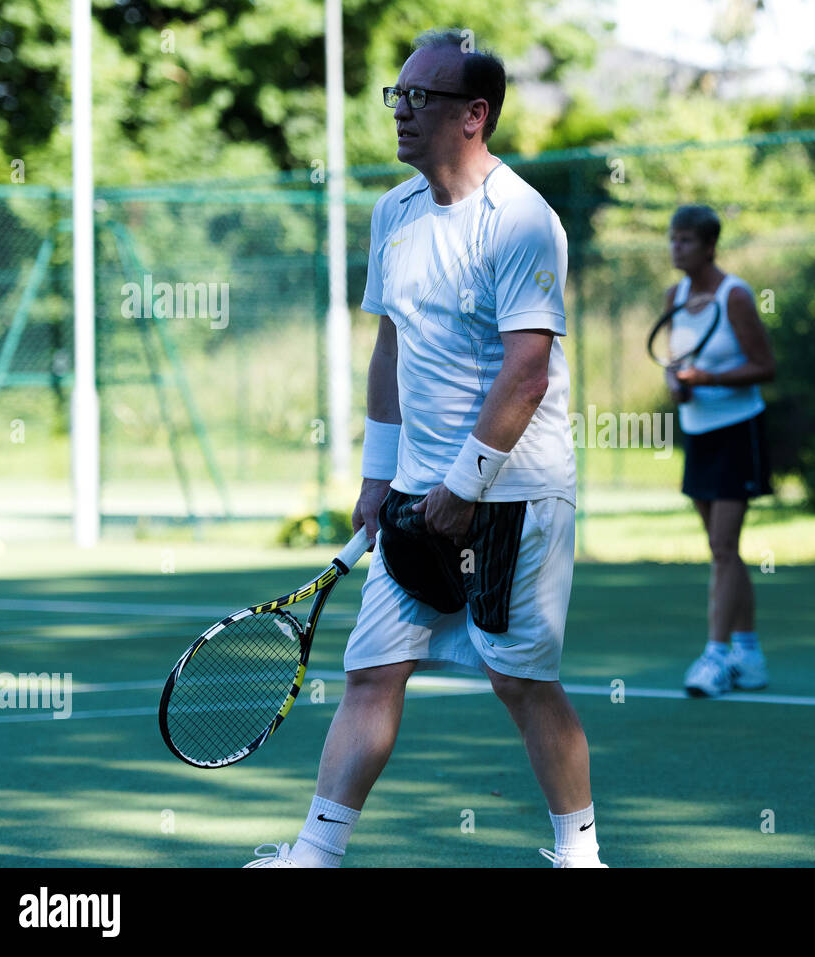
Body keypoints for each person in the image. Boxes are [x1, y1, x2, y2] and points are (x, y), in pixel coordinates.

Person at [246, 29, 603, 868]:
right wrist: (379, 478)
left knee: (521, 682)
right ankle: (317, 854)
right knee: (373, 670)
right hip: (413, 496)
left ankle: (580, 855)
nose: (402, 112)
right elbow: (390, 348)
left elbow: (527, 374)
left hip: (513, 495)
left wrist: (465, 486)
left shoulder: (521, 221)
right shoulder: (393, 213)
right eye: (397, 95)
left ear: (475, 115)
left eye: (422, 98)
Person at [662, 205, 776, 699]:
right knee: (722, 550)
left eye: (686, 240)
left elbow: (766, 366)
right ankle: (749, 655)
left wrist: (709, 380)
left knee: (723, 549)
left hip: (737, 431)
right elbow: (675, 365)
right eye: (673, 239)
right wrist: (679, 385)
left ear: (709, 246)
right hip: (699, 433)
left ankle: (715, 657)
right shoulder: (675, 295)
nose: (676, 248)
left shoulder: (736, 296)